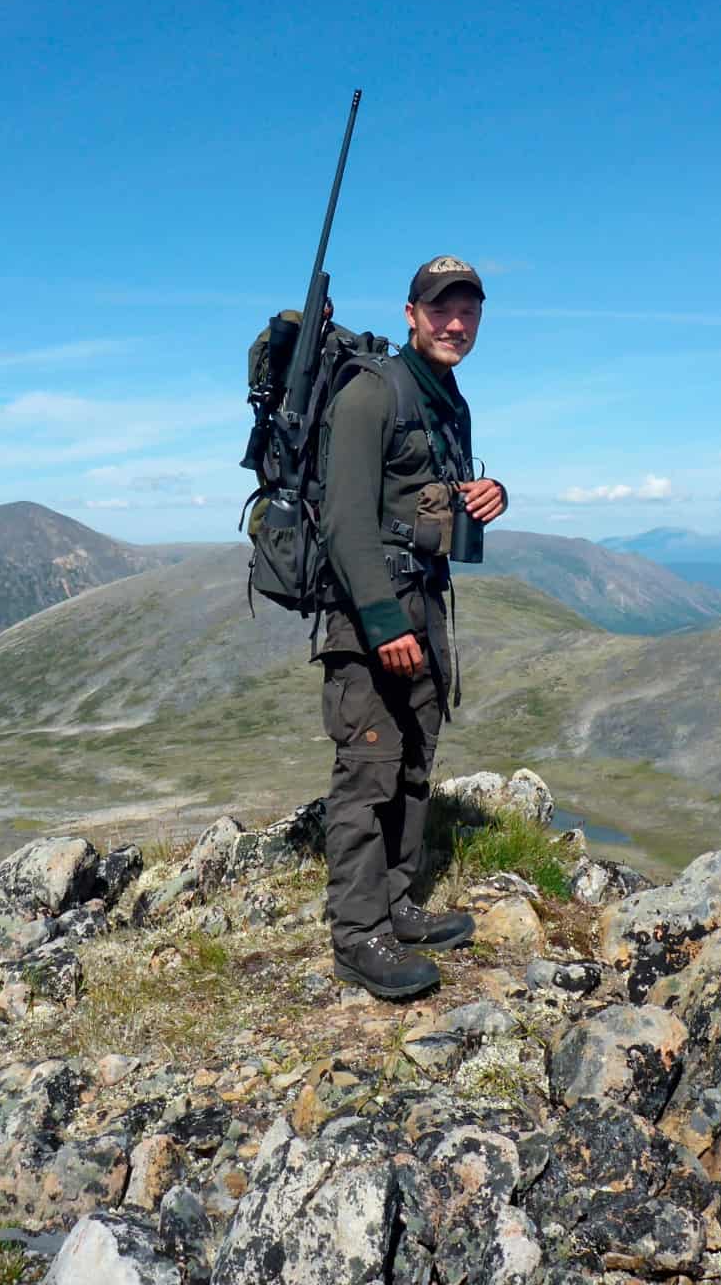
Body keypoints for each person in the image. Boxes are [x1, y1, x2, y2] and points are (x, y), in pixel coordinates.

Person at [317, 255, 509, 999]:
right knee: (369, 767)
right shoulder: (373, 393)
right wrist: (382, 619)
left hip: (426, 603)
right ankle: (357, 935)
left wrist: (491, 492)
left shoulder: (449, 398)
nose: (456, 324)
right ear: (410, 313)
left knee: (415, 759)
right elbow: (343, 520)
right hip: (373, 615)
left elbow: (436, 492)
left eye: (469, 312)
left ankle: (396, 902)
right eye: (441, 310)